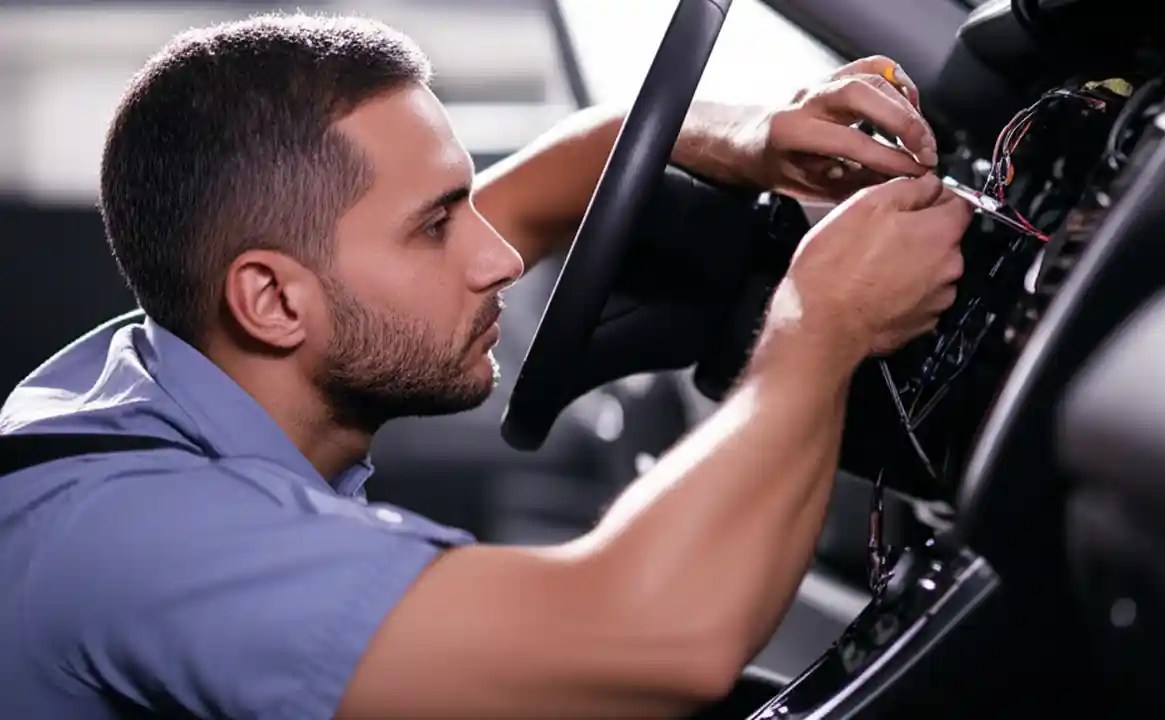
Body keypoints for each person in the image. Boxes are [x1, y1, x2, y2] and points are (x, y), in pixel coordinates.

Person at [0, 13, 971, 719]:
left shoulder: (177, 364)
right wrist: (821, 322)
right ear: (272, 302)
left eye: (463, 200)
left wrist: (744, 134)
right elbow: (660, 640)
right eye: (436, 225)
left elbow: (563, 173)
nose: (500, 255)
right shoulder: (138, 543)